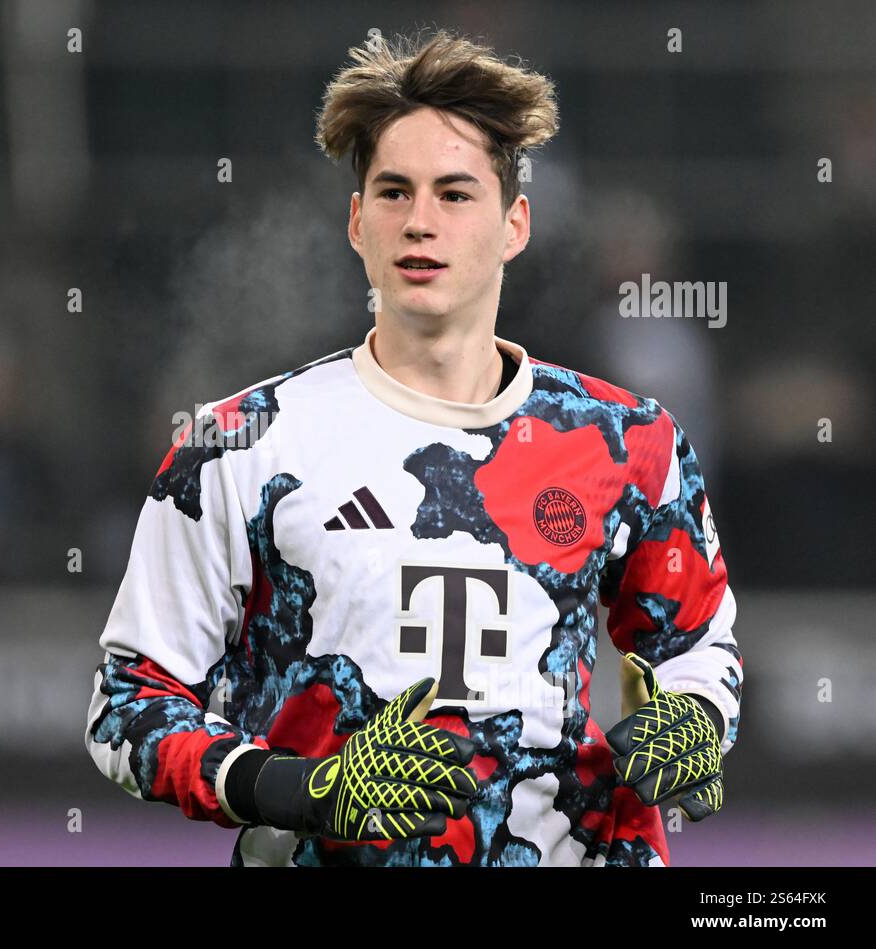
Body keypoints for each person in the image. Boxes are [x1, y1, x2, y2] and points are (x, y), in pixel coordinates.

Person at [84, 28, 742, 866]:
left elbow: (696, 651)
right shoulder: (236, 443)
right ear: (357, 222)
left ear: (515, 225)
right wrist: (296, 789)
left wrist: (695, 721)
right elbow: (126, 706)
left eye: (455, 194)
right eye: (394, 192)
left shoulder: (629, 442)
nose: (420, 221)